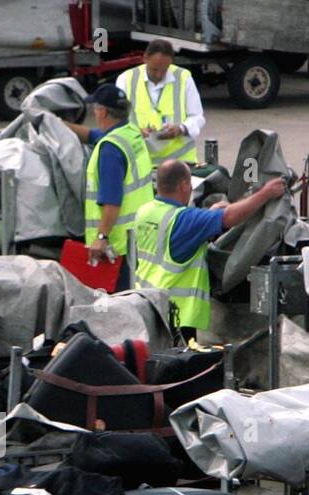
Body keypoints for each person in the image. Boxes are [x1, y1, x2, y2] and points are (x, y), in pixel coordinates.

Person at [132, 159, 286, 338]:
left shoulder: (145, 211)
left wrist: (208, 215)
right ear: (183, 185)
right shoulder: (184, 220)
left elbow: (181, 226)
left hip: (148, 305)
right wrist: (265, 194)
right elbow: (229, 217)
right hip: (177, 317)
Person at [63, 83, 155, 292]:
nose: (94, 113)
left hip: (118, 246)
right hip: (140, 235)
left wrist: (101, 238)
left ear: (103, 112)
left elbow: (112, 200)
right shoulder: (130, 133)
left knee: (117, 307)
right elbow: (92, 135)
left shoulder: (110, 150)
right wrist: (59, 125)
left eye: (95, 109)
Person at [115, 38, 205, 166]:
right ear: (145, 58)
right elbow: (117, 121)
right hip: (140, 162)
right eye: (154, 69)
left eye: (165, 69)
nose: (159, 75)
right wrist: (137, 131)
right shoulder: (126, 80)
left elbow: (197, 117)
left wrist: (180, 129)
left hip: (179, 163)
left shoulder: (183, 78)